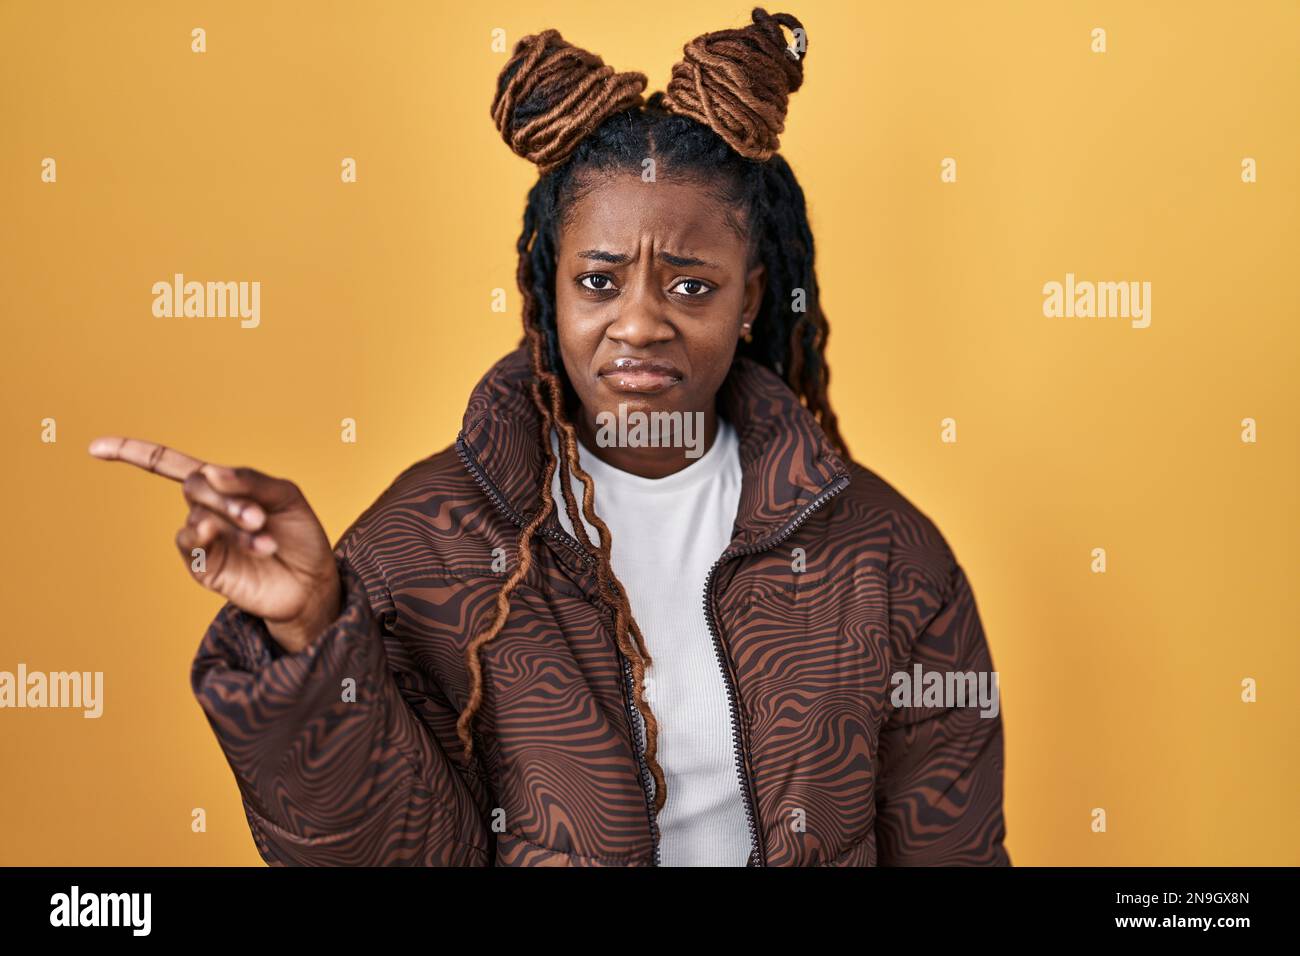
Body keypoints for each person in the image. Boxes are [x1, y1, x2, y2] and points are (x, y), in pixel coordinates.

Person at [89, 7, 1009, 867]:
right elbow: (386, 852)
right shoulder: (421, 543)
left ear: (752, 299)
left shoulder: (883, 554)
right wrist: (308, 633)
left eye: (691, 286)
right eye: (600, 282)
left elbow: (952, 849)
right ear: (549, 290)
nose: (640, 323)